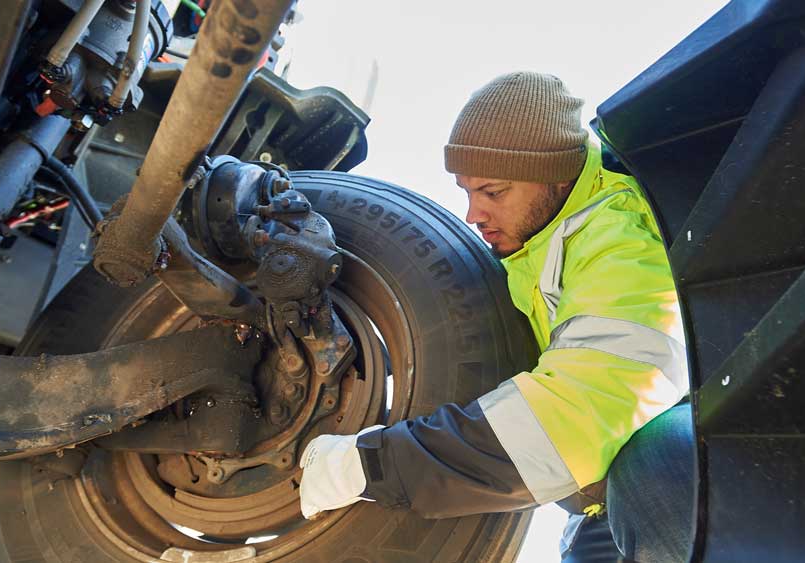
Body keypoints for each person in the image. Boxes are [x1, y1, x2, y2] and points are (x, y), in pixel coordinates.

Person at [298, 71, 696, 562]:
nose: (473, 214)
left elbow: (591, 406)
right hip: (599, 503)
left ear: (555, 175)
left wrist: (365, 467)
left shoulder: (619, 237)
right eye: (467, 192)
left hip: (689, 476)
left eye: (493, 191)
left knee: (656, 462)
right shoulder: (532, 253)